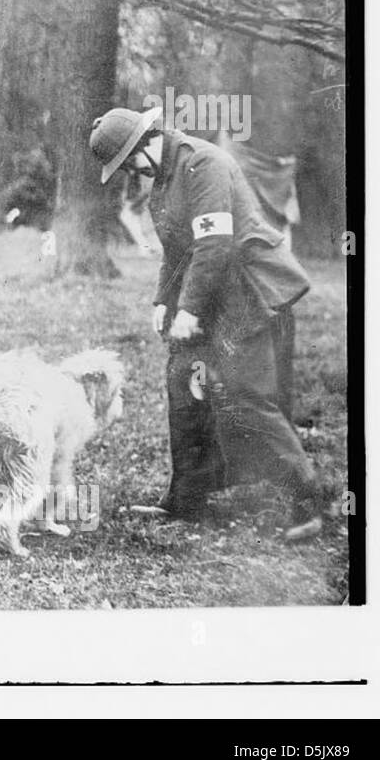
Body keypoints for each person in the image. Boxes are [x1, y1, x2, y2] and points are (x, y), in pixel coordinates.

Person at [88, 106, 330, 541]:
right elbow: (177, 250)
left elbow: (215, 245)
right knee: (183, 382)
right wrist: (164, 300)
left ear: (145, 143)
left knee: (247, 396)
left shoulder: (204, 164)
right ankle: (187, 499)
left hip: (248, 294)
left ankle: (307, 504)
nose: (130, 172)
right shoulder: (163, 178)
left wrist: (190, 310)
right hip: (212, 294)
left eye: (128, 162)